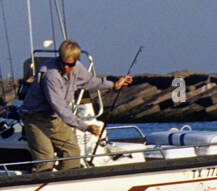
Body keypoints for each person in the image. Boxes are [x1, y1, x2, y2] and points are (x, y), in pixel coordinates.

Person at [20, 39, 133, 171]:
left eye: (70, 64)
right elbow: (60, 107)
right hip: (35, 118)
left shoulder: (77, 67)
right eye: (63, 63)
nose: (66, 67)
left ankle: (67, 184)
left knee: (72, 152)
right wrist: (85, 127)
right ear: (60, 59)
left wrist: (114, 84)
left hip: (55, 117)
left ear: (75, 61)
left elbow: (90, 82)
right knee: (46, 158)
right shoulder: (51, 76)